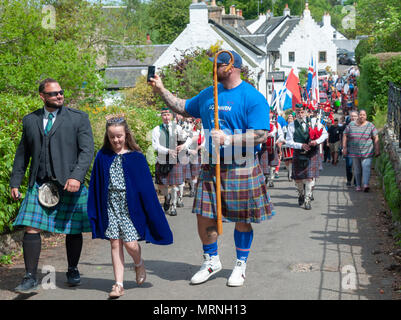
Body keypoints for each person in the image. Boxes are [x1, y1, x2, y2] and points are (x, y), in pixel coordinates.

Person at [149, 50, 275, 287]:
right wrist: (161, 90)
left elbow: (260, 134)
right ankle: (211, 260)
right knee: (204, 215)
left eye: (217, 65)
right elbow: (182, 107)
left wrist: (229, 139)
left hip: (242, 165)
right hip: (211, 164)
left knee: (242, 217)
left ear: (231, 67)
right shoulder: (209, 94)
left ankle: (240, 264)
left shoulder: (252, 97)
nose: (212, 68)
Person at [10, 78, 94, 293]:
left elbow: (87, 151)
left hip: (68, 182)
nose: (59, 96)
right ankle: (30, 277)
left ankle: (73, 269)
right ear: (42, 96)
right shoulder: (31, 120)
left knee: (73, 229)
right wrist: (16, 181)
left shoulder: (78, 118)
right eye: (54, 93)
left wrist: (76, 177)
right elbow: (23, 154)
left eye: (61, 92)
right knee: (31, 227)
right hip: (39, 183)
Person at [87, 114, 173, 299]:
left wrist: (151, 211)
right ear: (107, 137)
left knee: (130, 244)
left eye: (119, 136)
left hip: (130, 206)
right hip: (110, 204)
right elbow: (96, 184)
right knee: (115, 243)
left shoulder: (136, 157)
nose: (116, 140)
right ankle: (118, 284)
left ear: (126, 134)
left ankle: (138, 262)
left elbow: (146, 188)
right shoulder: (103, 156)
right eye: (112, 137)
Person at [285, 104, 328, 210]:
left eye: (302, 112)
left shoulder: (314, 122)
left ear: (306, 112)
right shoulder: (291, 125)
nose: (300, 114)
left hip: (311, 153)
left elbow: (324, 134)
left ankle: (307, 200)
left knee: (309, 178)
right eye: (298, 112)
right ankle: (300, 194)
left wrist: (316, 141)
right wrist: (300, 145)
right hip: (298, 153)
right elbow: (289, 141)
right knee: (298, 179)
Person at [151, 108, 191, 216]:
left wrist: (184, 145)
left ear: (171, 116)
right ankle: (166, 197)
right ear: (161, 116)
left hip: (175, 160)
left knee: (174, 185)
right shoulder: (156, 130)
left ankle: (173, 205)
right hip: (162, 160)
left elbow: (189, 137)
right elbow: (155, 146)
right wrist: (168, 151)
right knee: (162, 186)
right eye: (164, 115)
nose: (166, 117)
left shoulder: (177, 127)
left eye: (168, 115)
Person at [343, 109, 380, 192]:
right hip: (355, 152)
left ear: (366, 116)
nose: (362, 116)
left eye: (364, 115)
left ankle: (366, 184)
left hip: (367, 152)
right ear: (358, 116)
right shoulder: (351, 125)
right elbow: (345, 134)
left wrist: (377, 149)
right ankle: (358, 185)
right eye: (360, 114)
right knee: (357, 169)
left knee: (366, 167)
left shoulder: (370, 125)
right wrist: (344, 147)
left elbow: (376, 137)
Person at [258, 111, 284, 187]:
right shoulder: (261, 123)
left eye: (271, 116)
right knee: (264, 164)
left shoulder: (276, 124)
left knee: (272, 164)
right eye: (268, 116)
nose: (270, 117)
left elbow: (281, 135)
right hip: (263, 147)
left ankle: (271, 179)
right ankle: (265, 178)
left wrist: (277, 141)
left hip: (273, 146)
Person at [343, 111, 358, 187]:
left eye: (355, 116)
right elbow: (343, 137)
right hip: (349, 149)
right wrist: (343, 147)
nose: (353, 118)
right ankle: (349, 180)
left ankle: (356, 182)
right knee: (349, 165)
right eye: (352, 116)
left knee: (357, 166)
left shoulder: (361, 125)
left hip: (359, 149)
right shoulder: (347, 125)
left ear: (357, 117)